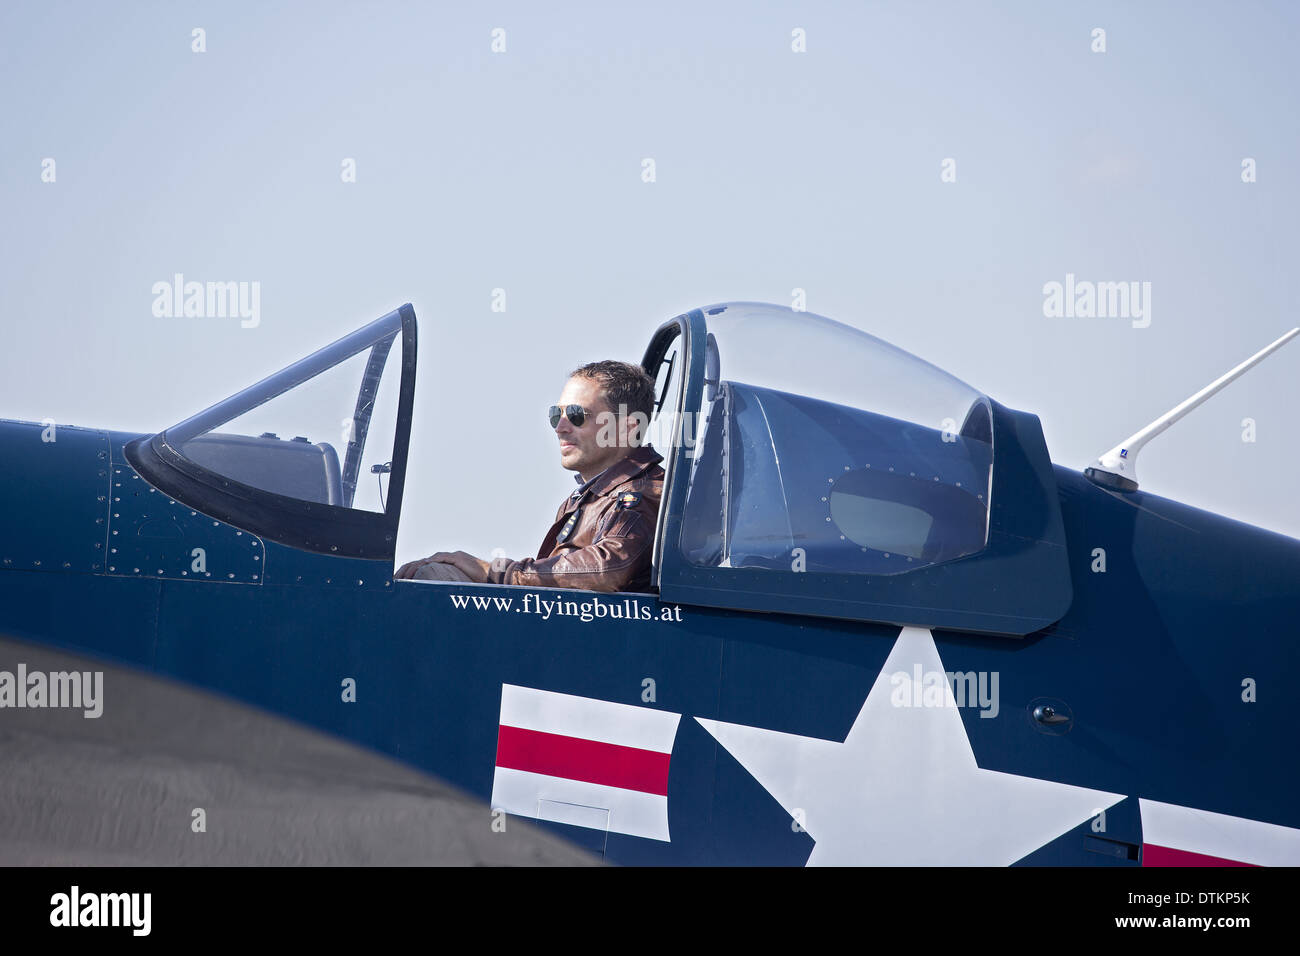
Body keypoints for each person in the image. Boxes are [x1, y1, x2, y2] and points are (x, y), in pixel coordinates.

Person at [394, 360, 664, 593]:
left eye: (576, 415)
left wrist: (497, 572)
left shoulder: (643, 494)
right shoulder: (589, 497)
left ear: (628, 427)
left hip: (604, 646)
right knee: (432, 576)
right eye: (556, 414)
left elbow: (609, 568)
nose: (560, 427)